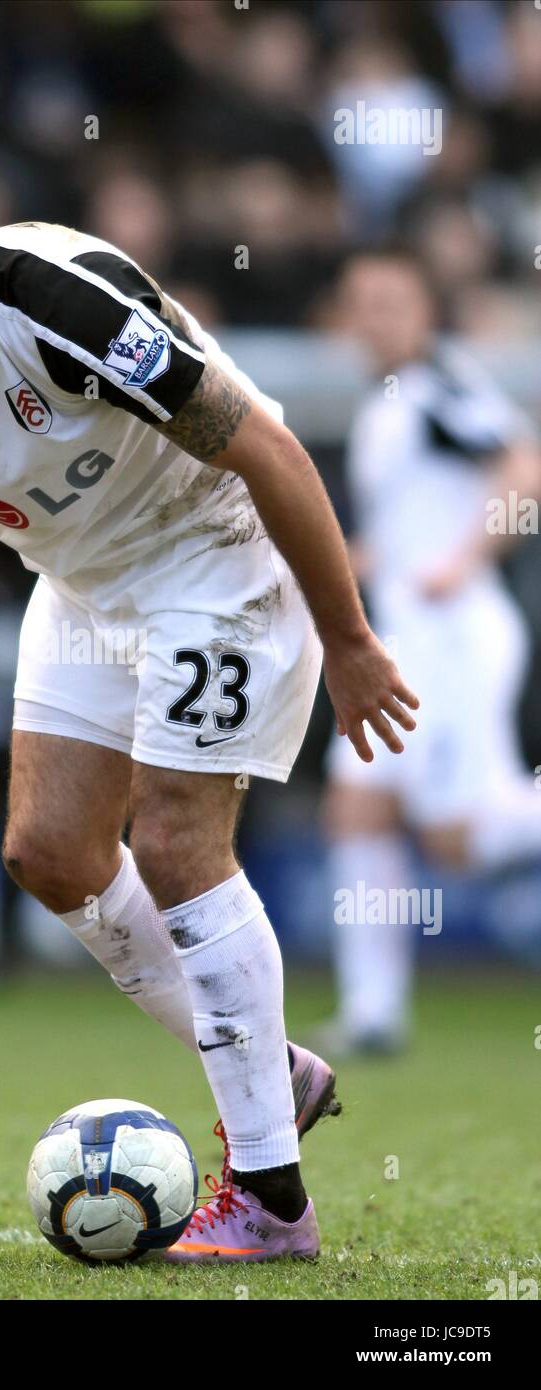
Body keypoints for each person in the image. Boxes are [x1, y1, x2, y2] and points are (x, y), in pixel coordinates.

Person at [0, 114, 418, 1262]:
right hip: (83, 582)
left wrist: (350, 640)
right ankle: (274, 1073)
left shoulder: (57, 303)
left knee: (176, 841)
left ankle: (272, 1200)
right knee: (49, 852)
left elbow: (266, 450)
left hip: (214, 541)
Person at [318, 250, 541, 1056]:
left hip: (455, 641)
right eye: (362, 304)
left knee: (460, 841)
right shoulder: (388, 404)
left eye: (392, 303)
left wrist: (463, 560)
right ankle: (372, 1015)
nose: (375, 320)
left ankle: (373, 1011)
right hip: (405, 641)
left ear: (425, 313)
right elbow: (403, 534)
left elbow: (523, 468)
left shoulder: (438, 387)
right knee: (358, 806)